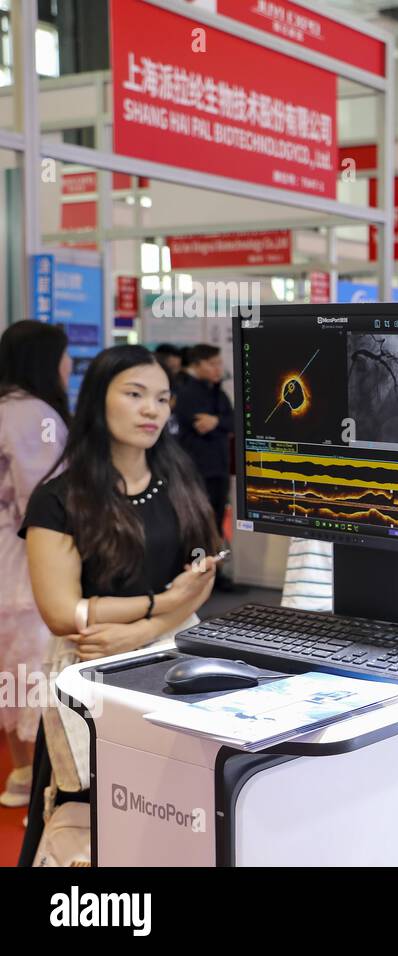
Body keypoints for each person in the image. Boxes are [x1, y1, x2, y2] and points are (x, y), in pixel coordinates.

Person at [19, 345, 222, 862]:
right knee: (93, 808)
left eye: (161, 398)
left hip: (174, 665)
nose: (152, 410)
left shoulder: (180, 483)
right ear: (98, 401)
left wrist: (141, 629)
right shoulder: (61, 497)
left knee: (177, 805)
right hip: (87, 672)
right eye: (134, 395)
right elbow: (63, 613)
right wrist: (159, 603)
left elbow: (199, 580)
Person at [0, 321, 71, 809]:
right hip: (25, 560)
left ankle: (21, 773)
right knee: (34, 667)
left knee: (10, 671)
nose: (70, 367)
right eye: (66, 357)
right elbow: (41, 502)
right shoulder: (36, 415)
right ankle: (40, 779)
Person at [172, 343, 239, 591]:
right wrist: (218, 423)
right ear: (196, 365)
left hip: (218, 468)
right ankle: (197, 574)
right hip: (195, 470)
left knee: (217, 521)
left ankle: (213, 573)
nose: (218, 369)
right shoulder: (185, 392)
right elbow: (196, 424)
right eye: (212, 364)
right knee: (197, 526)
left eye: (219, 363)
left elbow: (234, 421)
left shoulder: (218, 393)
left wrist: (217, 421)